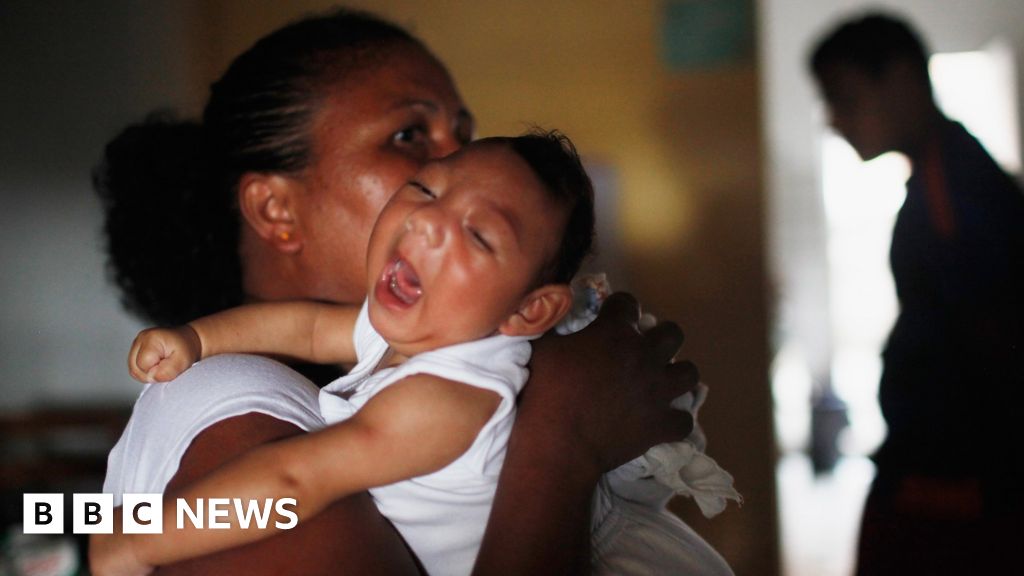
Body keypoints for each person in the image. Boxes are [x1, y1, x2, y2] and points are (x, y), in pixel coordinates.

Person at [91, 7, 732, 576]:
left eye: (463, 131)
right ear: (275, 210)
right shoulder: (230, 410)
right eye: (411, 140)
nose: (451, 170)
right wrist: (564, 432)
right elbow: (298, 429)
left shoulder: (414, 357)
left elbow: (317, 331)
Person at [94, 132, 594, 575]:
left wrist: (143, 540)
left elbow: (293, 480)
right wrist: (198, 340)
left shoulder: (448, 398)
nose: (426, 222)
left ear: (530, 312)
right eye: (425, 189)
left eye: (479, 234)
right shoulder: (421, 331)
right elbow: (309, 327)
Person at [809, 13, 1024, 575]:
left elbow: (998, 349)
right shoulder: (941, 179)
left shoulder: (959, 193)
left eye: (842, 97)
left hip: (955, 490)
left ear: (902, 79)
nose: (833, 120)